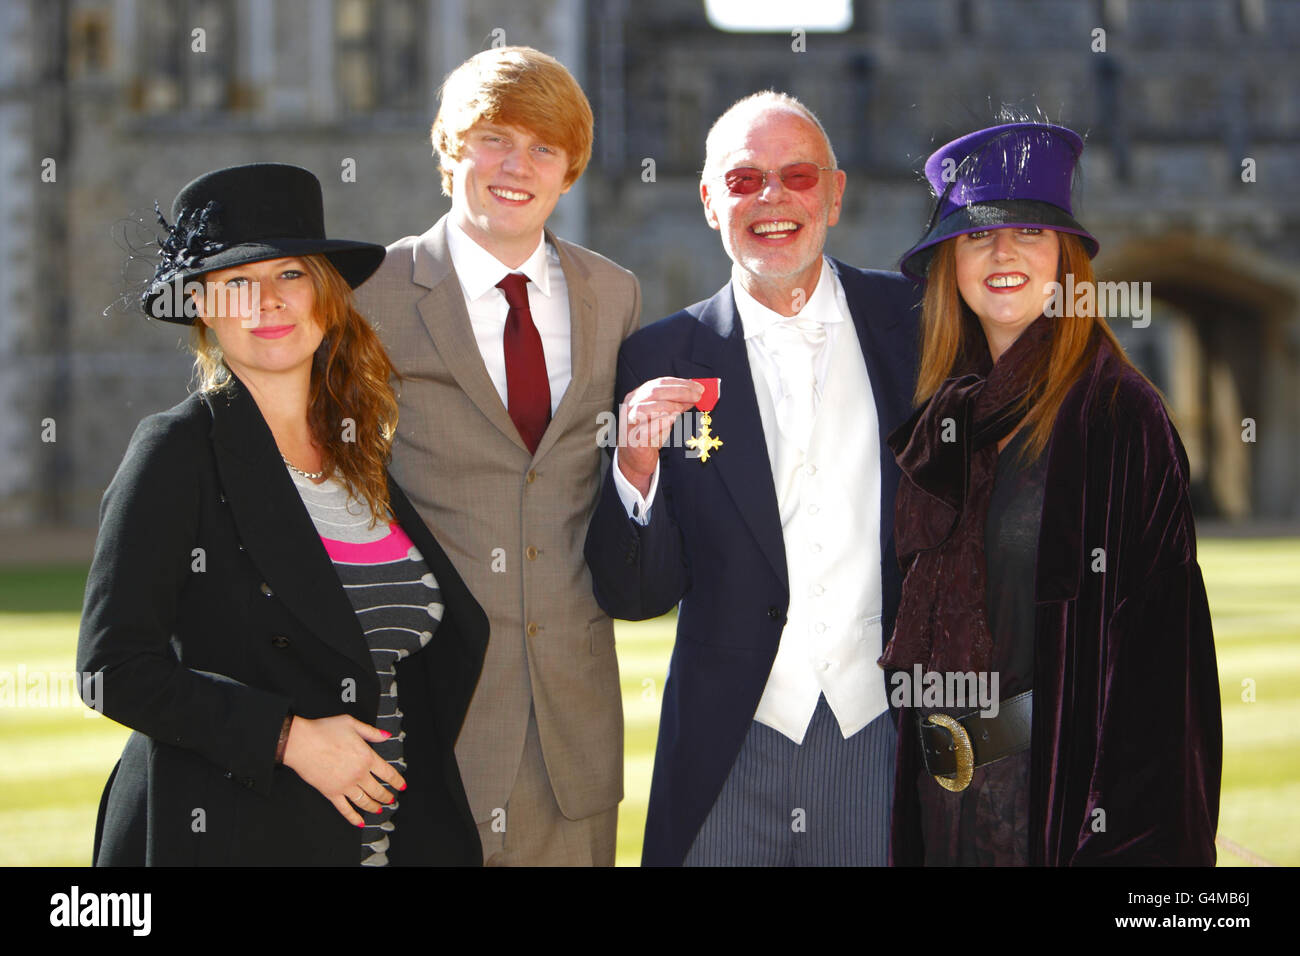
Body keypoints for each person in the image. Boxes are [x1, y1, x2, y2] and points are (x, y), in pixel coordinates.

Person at [78, 163, 487, 866]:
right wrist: (287, 736)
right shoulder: (177, 450)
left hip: (379, 842)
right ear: (203, 307)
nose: (267, 302)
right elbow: (112, 667)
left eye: (290, 275)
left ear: (326, 297)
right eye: (237, 283)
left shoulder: (358, 455)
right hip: (234, 836)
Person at [584, 91, 922, 866]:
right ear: (709, 202)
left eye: (797, 175)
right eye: (743, 181)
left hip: (880, 738)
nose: (772, 198)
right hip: (726, 750)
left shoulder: (919, 321)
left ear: (834, 194)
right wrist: (634, 469)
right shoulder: (655, 357)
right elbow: (636, 596)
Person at [884, 121, 1222, 865]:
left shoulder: (1119, 417)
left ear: (1067, 263)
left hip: (1061, 817)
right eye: (977, 238)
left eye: (1030, 232)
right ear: (950, 266)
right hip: (943, 807)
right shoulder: (949, 419)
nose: (1003, 254)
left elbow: (1166, 676)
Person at [353, 47, 640, 866]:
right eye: (494, 139)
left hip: (573, 730)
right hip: (427, 714)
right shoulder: (370, 294)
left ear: (569, 170)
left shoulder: (614, 294)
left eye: (543, 148)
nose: (517, 166)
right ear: (450, 148)